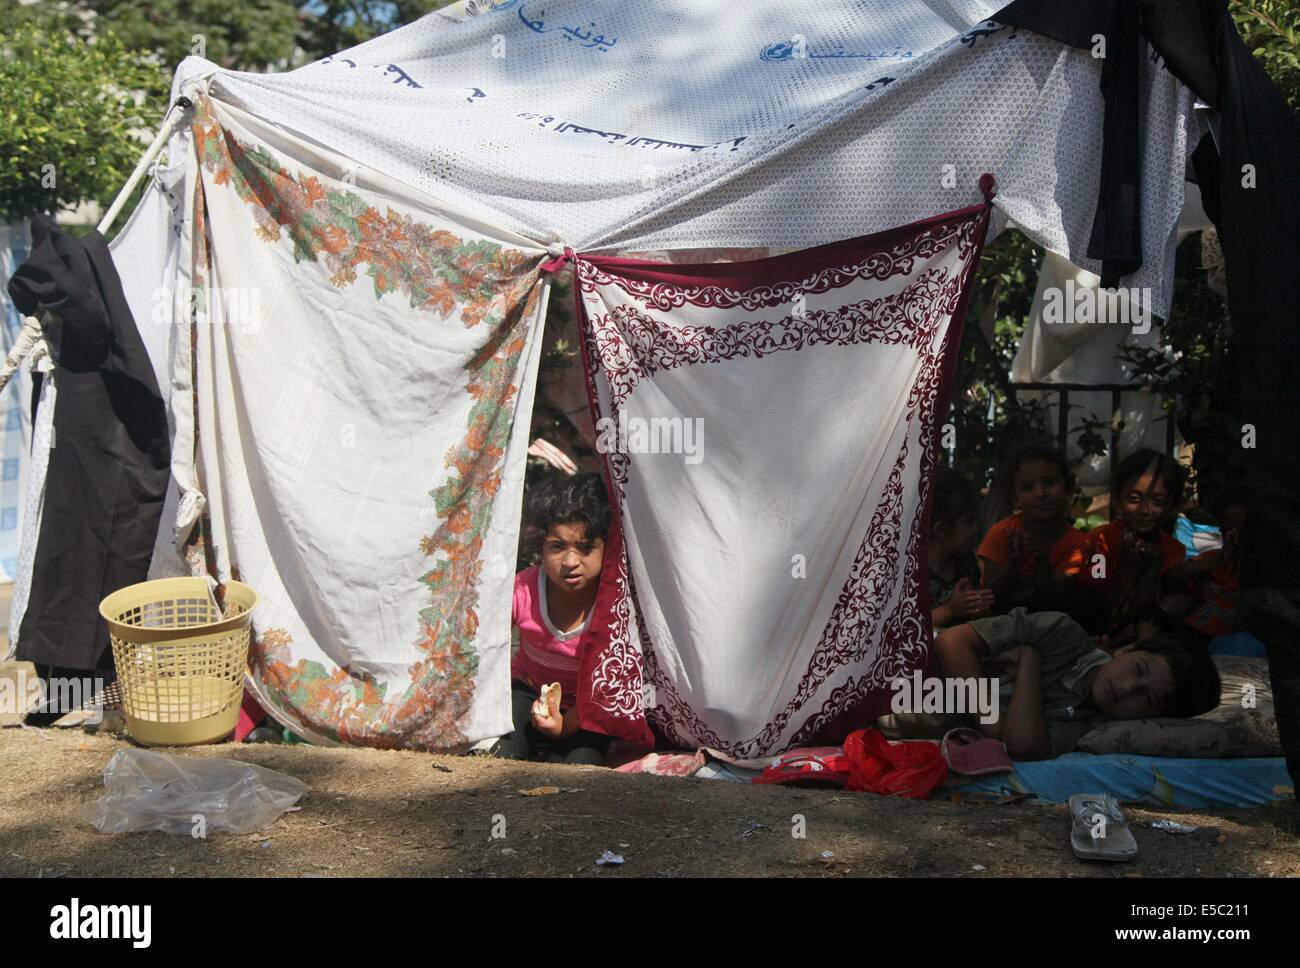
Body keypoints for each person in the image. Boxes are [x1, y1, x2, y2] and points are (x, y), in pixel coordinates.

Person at [934, 608, 1221, 760]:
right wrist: (993, 724)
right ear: (1127, 649)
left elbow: (1022, 746)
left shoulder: (1093, 728)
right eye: (1137, 669)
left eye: (1145, 698)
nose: (1125, 688)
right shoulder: (1061, 634)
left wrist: (1029, 661)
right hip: (909, 666)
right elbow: (952, 642)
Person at [495, 472, 612, 765]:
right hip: (528, 689)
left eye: (585, 548)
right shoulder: (523, 589)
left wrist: (565, 725)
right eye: (557, 547)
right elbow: (486, 642)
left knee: (579, 768)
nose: (571, 562)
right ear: (541, 546)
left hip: (589, 705)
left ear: (606, 547)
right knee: (499, 756)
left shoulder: (613, 605)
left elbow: (607, 685)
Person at [1073, 448, 1194, 638]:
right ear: (1117, 502)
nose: (1145, 510)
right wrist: (1123, 563)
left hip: (1136, 631)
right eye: (1134, 499)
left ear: (1173, 506)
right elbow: (1093, 590)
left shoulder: (1173, 550)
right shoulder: (1100, 541)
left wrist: (1151, 567)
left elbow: (1147, 609)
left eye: (1158, 501)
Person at [977, 442, 1090, 613]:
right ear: (1015, 497)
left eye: (1050, 483)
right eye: (1028, 487)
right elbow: (988, 600)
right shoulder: (1001, 533)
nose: (1041, 494)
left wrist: (1041, 560)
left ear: (1068, 488)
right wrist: (1014, 561)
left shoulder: (1079, 544)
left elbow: (1052, 601)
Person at [927, 468, 994, 629]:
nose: (975, 528)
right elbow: (907, 626)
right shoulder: (912, 573)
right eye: (968, 522)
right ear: (941, 530)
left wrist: (977, 608)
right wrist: (950, 609)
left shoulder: (966, 563)